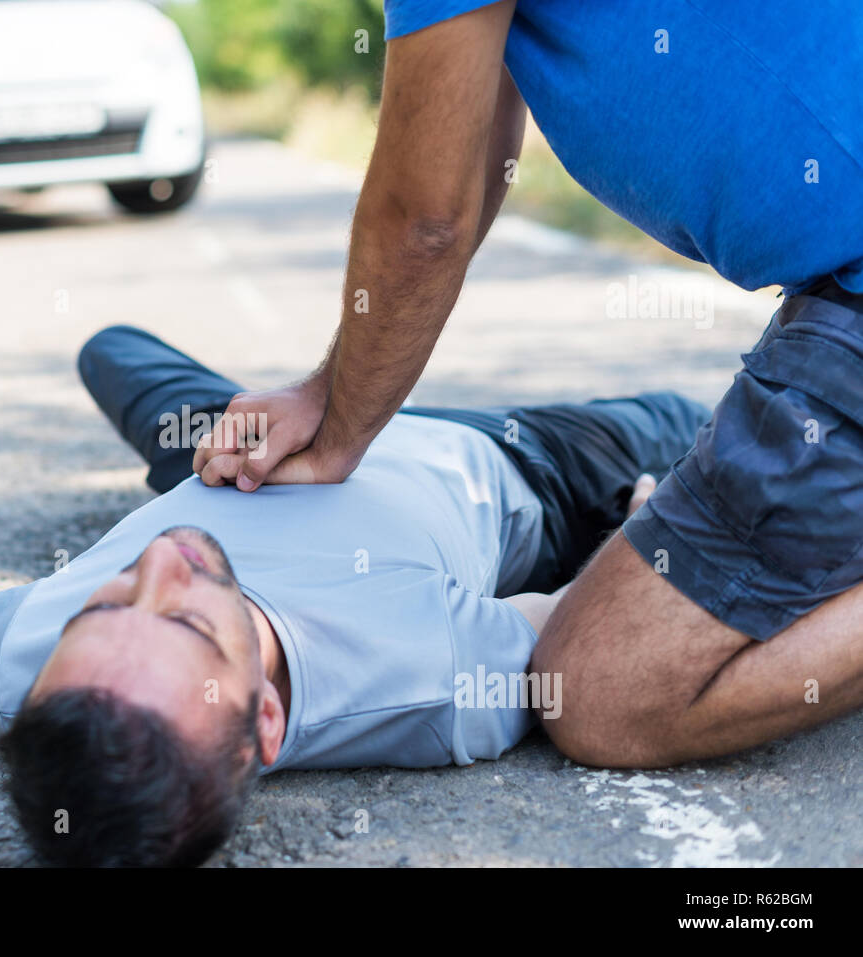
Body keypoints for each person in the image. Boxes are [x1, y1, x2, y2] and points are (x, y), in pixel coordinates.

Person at [0, 326, 705, 866]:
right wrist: (643, 527)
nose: (167, 563)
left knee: (110, 350)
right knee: (689, 428)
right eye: (189, 612)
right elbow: (585, 622)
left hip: (234, 445)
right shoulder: (434, 691)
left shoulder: (27, 666)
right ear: (265, 718)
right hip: (518, 469)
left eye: (103, 606)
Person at [192, 1, 863, 768]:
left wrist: (336, 419)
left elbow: (425, 218)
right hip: (832, 295)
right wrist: (332, 391)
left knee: (597, 689)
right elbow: (473, 154)